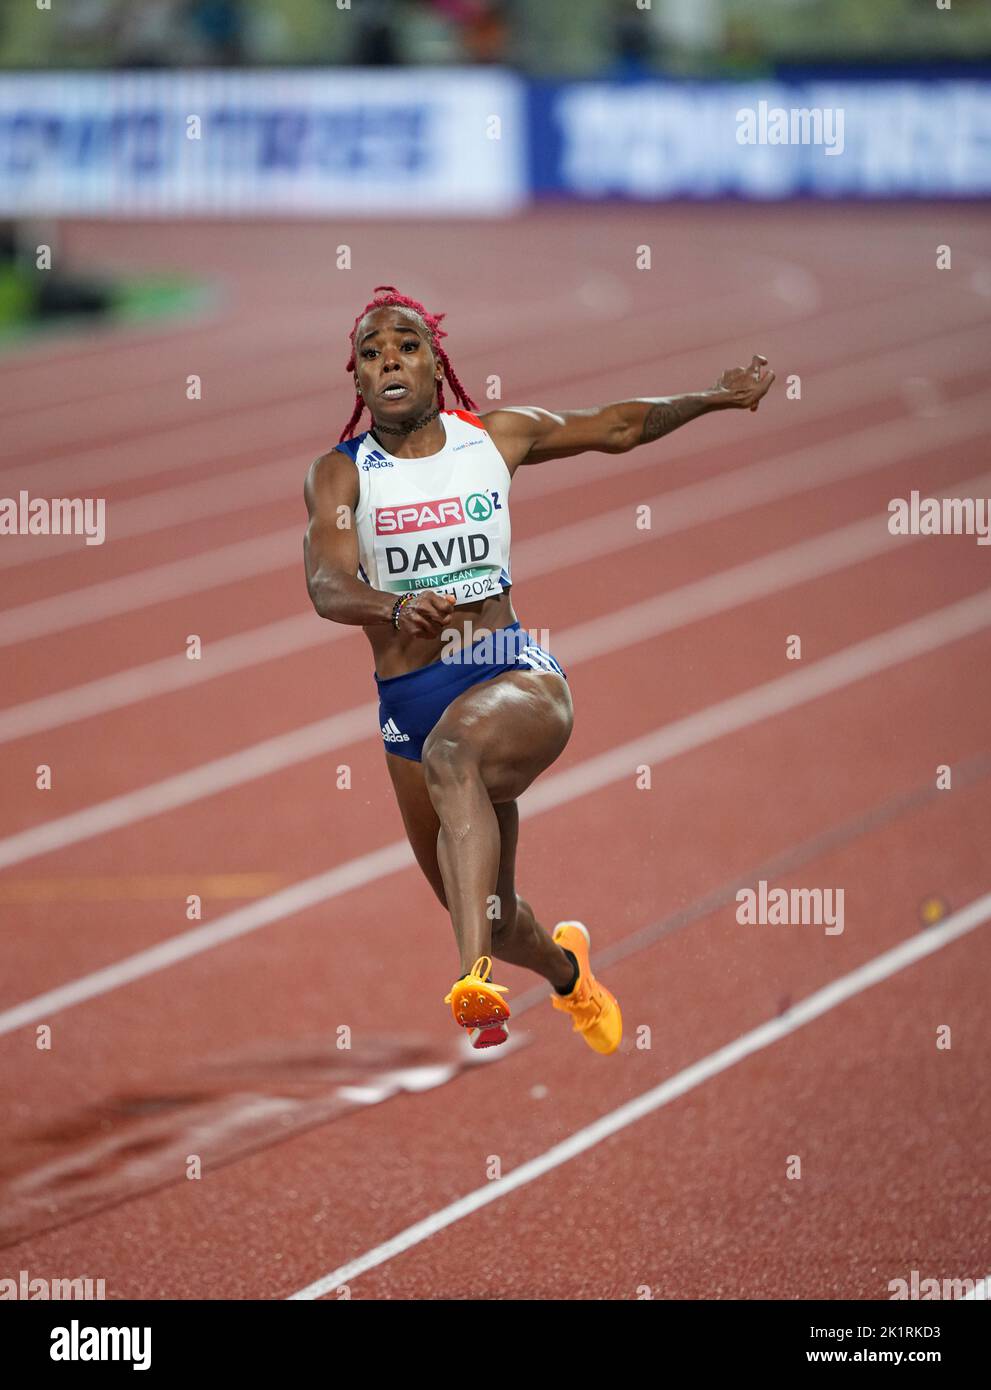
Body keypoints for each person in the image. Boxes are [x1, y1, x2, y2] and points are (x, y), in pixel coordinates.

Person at [303, 285, 774, 1054]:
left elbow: (617, 426)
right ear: (357, 381)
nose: (389, 356)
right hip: (406, 701)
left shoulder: (493, 438)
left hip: (505, 667)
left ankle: (471, 982)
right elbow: (325, 583)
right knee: (494, 911)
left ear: (434, 364)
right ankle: (567, 976)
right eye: (370, 351)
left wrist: (714, 399)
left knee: (453, 755)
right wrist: (390, 609)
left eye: (407, 345)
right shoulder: (339, 475)